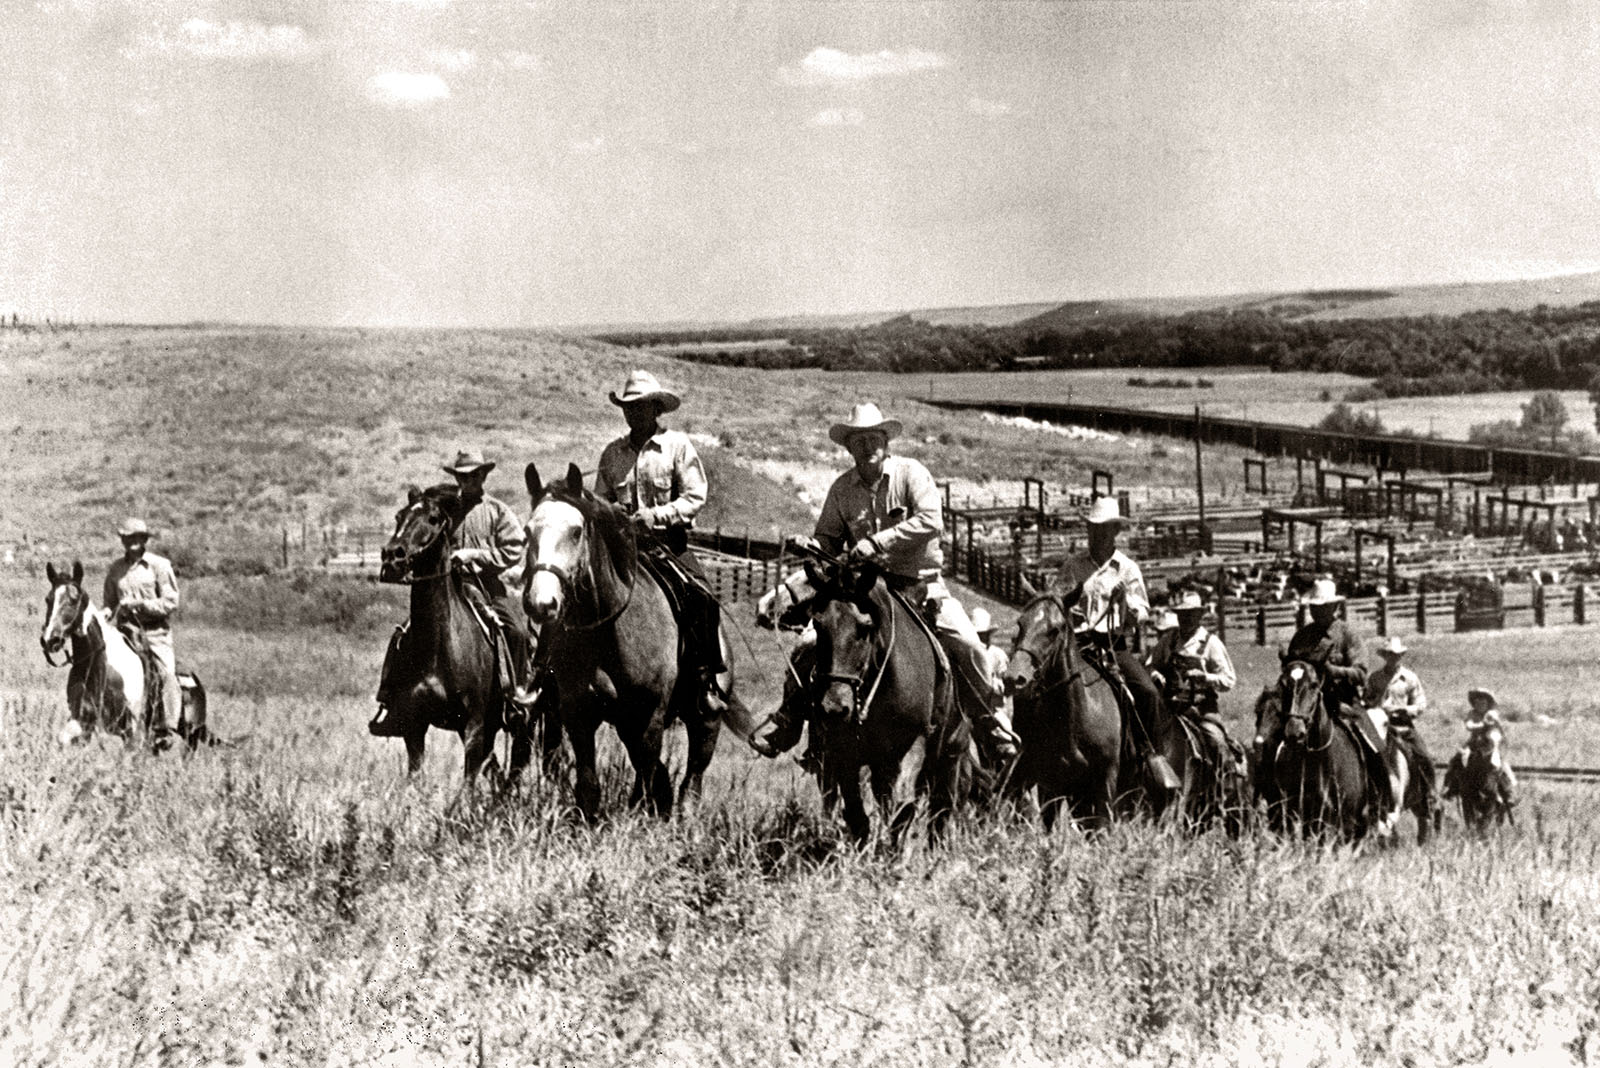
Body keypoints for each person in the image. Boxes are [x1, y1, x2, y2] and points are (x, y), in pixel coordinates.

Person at [751, 402, 1018, 760]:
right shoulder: (841, 490)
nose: (868, 447)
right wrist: (812, 548)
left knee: (968, 645)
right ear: (849, 447)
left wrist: (878, 542)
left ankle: (990, 722)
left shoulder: (912, 474)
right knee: (809, 645)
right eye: (859, 441)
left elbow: (931, 521)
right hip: (863, 591)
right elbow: (827, 543)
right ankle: (789, 722)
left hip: (920, 587)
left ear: (886, 441)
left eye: (874, 438)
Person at [595, 369, 728, 716]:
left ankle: (704, 681)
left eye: (640, 406)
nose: (633, 413)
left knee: (702, 598)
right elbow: (600, 501)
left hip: (668, 547)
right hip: (622, 552)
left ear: (656, 409)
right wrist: (613, 516)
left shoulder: (677, 447)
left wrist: (658, 515)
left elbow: (695, 496)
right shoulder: (612, 454)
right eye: (628, 407)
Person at [1053, 496, 1177, 790]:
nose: (1097, 534)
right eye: (1093, 528)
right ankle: (1031, 750)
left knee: (1146, 692)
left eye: (1104, 528)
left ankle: (1152, 758)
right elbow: (1056, 601)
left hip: (1112, 645)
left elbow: (1143, 612)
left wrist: (1127, 603)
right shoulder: (1073, 566)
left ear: (1115, 532)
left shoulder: (1127, 569)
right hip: (1077, 644)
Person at [1276, 577, 1390, 810]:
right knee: (1273, 742)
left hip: (1343, 703)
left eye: (1323, 607)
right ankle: (1275, 800)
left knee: (1373, 744)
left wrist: (1334, 671)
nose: (1318, 611)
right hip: (1304, 706)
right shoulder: (1301, 637)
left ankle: (1381, 799)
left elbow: (1361, 673)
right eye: (1314, 607)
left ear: (1335, 607)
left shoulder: (1348, 635)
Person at [103, 518, 182, 751]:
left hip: (154, 633)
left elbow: (171, 602)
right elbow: (109, 602)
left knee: (166, 673)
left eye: (137, 538)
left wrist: (141, 604)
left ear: (145, 540)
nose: (132, 542)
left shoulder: (159, 566)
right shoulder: (116, 569)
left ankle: (167, 728)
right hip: (125, 631)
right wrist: (106, 613)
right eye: (127, 538)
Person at [1363, 635, 1436, 806]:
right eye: (1389, 654)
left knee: (1423, 755)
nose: (1392, 658)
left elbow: (1421, 703)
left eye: (1396, 655)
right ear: (1384, 656)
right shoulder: (1374, 678)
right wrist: (1372, 706)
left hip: (1402, 726)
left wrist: (1406, 710)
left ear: (1401, 656)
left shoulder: (1410, 678)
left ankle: (1431, 793)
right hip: (1379, 726)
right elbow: (1366, 699)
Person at [1146, 590, 1235, 726]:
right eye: (1181, 614)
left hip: (1202, 709)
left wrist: (1205, 677)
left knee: (1215, 740)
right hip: (1169, 706)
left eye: (1190, 614)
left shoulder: (1211, 643)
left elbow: (1228, 680)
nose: (1185, 619)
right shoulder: (1168, 640)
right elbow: (1148, 666)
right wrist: (1155, 675)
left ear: (1199, 615)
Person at [1442, 688, 1517, 807]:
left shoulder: (1492, 713)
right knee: (1457, 759)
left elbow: (1495, 724)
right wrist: (1480, 725)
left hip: (1491, 742)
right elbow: (1469, 725)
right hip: (1475, 742)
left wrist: (1491, 724)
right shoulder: (1472, 713)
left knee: (1500, 763)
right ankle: (1451, 788)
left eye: (1483, 702)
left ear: (1488, 703)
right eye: (1477, 702)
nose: (1480, 704)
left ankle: (1509, 794)